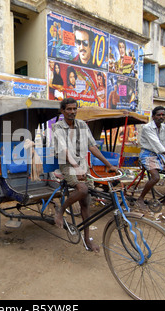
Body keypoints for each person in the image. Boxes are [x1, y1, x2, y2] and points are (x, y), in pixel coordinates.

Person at [52, 97, 117, 252]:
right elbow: (64, 150)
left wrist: (108, 165)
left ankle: (87, 240)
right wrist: (76, 167)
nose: (72, 112)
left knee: (86, 202)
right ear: (62, 111)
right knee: (82, 189)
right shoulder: (57, 127)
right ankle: (61, 211)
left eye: (74, 109)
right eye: (68, 109)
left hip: (82, 165)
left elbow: (93, 147)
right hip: (67, 164)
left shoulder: (82, 125)